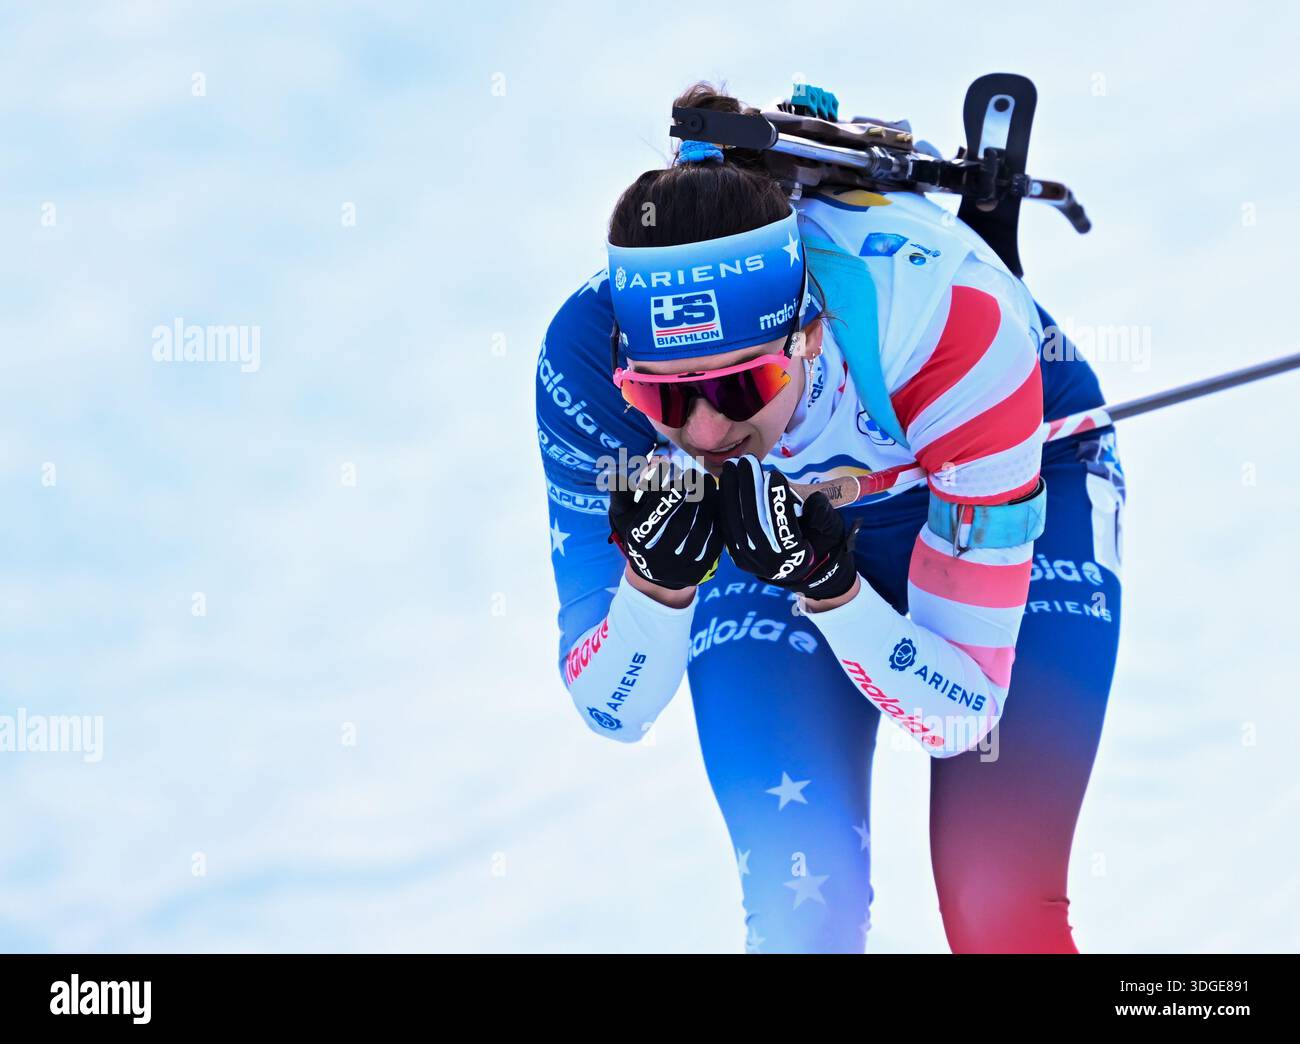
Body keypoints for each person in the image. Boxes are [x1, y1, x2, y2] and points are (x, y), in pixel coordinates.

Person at [535, 84, 1126, 953]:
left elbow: (963, 713)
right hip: (777, 525)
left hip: (999, 457)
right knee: (800, 915)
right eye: (663, 398)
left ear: (807, 334)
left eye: (740, 386)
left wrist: (830, 586)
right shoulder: (586, 359)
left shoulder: (944, 324)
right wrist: (654, 585)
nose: (705, 435)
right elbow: (610, 708)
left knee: (999, 907)